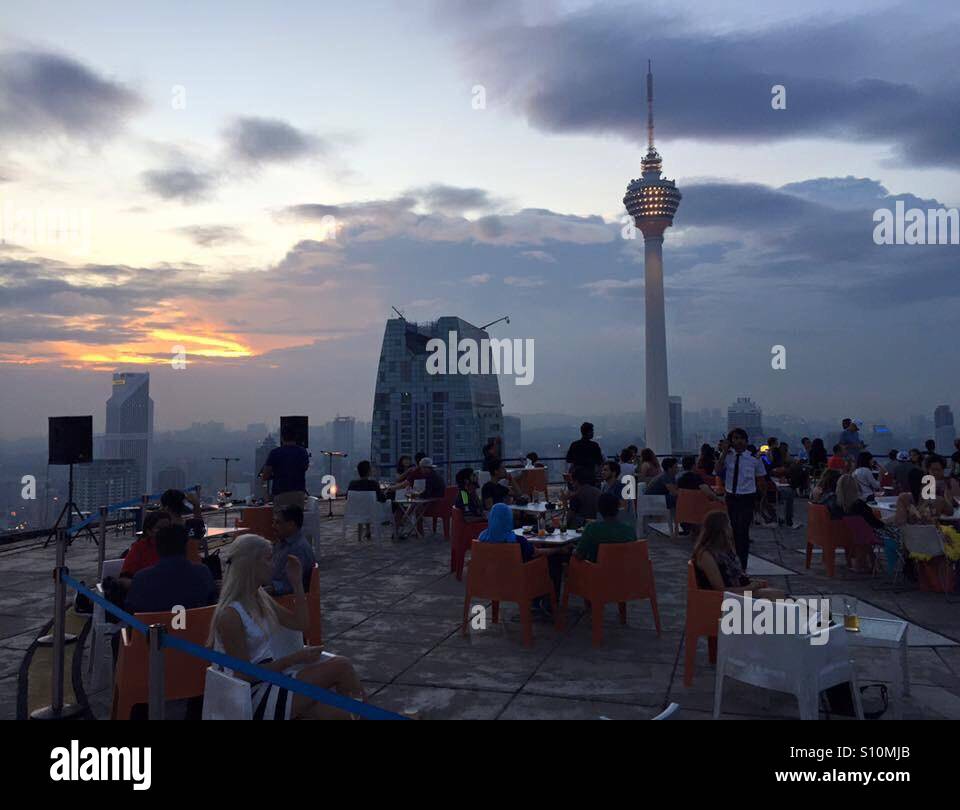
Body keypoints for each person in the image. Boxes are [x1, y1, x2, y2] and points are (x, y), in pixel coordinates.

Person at [210, 534, 364, 720]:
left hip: (272, 682)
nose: (273, 565)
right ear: (251, 564)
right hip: (252, 696)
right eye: (268, 559)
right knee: (342, 665)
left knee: (342, 715)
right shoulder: (231, 615)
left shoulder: (259, 597)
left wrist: (297, 583)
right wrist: (294, 659)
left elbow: (301, 624)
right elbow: (244, 675)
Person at [479, 503, 562, 616]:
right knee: (552, 563)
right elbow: (537, 553)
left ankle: (537, 603)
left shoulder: (482, 538)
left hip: (490, 581)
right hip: (520, 583)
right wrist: (559, 550)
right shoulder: (517, 541)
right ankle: (548, 605)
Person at [126, 524, 218, 614]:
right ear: (186, 546)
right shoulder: (202, 572)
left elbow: (132, 611)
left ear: (157, 548)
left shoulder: (142, 578)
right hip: (196, 627)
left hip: (152, 627)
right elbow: (211, 605)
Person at [691, 512, 784, 599]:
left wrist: (752, 584)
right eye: (728, 526)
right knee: (776, 596)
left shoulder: (725, 548)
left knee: (779, 595)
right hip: (723, 598)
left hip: (738, 591)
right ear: (720, 530)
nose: (731, 528)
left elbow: (737, 575)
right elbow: (720, 590)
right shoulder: (706, 555)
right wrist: (750, 587)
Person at [715, 428, 767, 570]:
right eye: (735, 438)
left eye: (741, 438)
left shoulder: (753, 458)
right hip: (732, 497)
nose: (738, 441)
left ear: (746, 441)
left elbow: (761, 479)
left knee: (742, 530)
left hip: (747, 498)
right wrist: (724, 452)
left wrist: (761, 500)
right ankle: (736, 557)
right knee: (734, 528)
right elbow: (718, 471)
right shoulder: (727, 456)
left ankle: (742, 562)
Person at [833, 474, 885, 571]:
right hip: (864, 536)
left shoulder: (836, 505)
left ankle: (863, 562)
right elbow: (875, 523)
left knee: (863, 533)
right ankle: (868, 562)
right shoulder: (860, 505)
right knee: (867, 533)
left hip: (844, 535)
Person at [573, 492, 635, 564]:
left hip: (597, 573)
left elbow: (579, 555)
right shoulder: (629, 530)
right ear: (618, 508)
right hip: (625, 572)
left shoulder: (592, 528)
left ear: (599, 509)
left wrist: (572, 550)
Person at [269, 506, 316, 595]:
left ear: (291, 525)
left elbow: (289, 585)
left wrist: (262, 591)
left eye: (278, 523)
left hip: (287, 600)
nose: (273, 526)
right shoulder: (283, 542)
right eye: (273, 522)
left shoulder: (298, 549)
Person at [260, 428, 310, 511]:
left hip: (281, 493)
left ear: (282, 438)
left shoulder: (275, 453)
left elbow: (265, 475)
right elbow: (305, 468)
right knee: (296, 520)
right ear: (296, 437)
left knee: (281, 520)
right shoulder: (302, 451)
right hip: (299, 492)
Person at [119, 510, 171, 583]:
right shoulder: (139, 548)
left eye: (168, 528)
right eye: (160, 529)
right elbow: (124, 578)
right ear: (149, 531)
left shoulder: (176, 546)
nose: (165, 532)